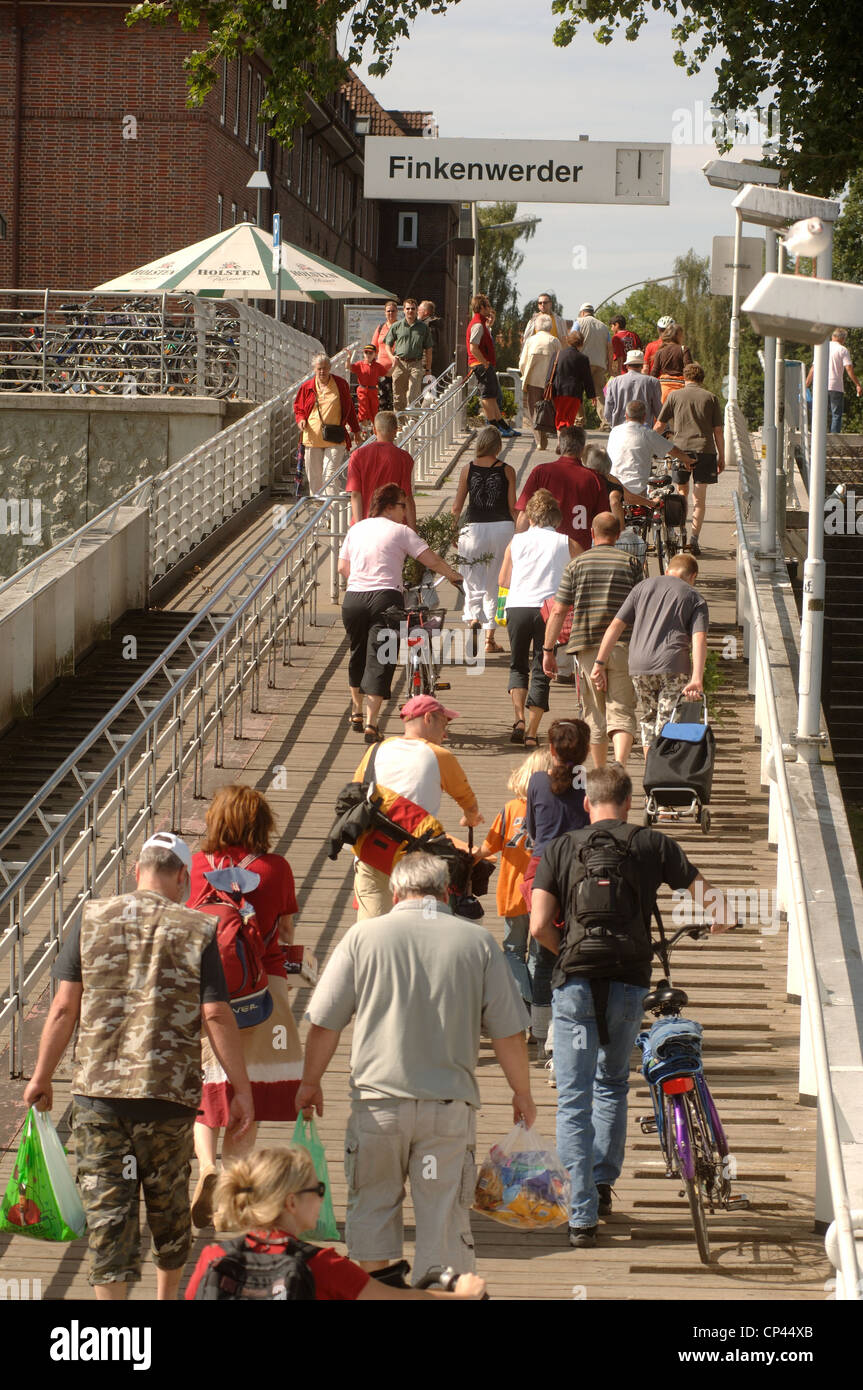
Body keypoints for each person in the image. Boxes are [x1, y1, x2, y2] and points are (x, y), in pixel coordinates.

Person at [23, 831, 253, 1300]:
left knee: (110, 1218)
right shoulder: (197, 928)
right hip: (167, 1098)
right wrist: (242, 1088)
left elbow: (64, 1008)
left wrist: (41, 1076)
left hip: (97, 1097)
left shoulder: (89, 918)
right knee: (168, 1212)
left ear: (137, 871)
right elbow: (214, 1014)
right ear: (182, 877)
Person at [298, 851, 535, 1280]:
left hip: (378, 1107)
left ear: (394, 890)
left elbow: (323, 1022)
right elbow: (508, 1033)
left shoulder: (362, 938)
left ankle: (376, 1293)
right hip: (447, 1109)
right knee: (442, 1222)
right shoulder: (477, 943)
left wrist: (310, 1082)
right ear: (448, 891)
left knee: (372, 1210)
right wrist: (522, 1092)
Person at [529, 762, 731, 1246]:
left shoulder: (561, 847)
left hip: (575, 984)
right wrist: (720, 921)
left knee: (573, 1098)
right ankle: (601, 1185)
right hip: (628, 981)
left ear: (587, 803)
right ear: (629, 803)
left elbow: (538, 928)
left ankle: (580, 1217)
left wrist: (570, 958)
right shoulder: (652, 843)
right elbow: (715, 906)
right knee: (612, 1082)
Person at [187, 786, 302, 1229]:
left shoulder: (194, 867)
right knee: (246, 1088)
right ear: (261, 823)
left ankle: (206, 1167)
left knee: (207, 1081)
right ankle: (231, 1190)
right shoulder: (276, 868)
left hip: (202, 988)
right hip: (262, 990)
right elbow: (285, 931)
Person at [185, 1146, 487, 1300]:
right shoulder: (320, 1265)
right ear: (291, 1202)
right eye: (318, 1190)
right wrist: (463, 1295)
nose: (322, 1199)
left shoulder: (214, 1258)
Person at [339, 484, 462, 743]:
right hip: (385, 598)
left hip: (353, 598)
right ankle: (372, 724)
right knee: (380, 658)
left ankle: (357, 712)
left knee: (357, 651)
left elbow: (342, 567)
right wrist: (454, 577)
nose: (406, 512)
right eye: (403, 506)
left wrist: (362, 580)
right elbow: (432, 560)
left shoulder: (356, 528)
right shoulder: (401, 532)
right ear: (389, 506)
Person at [351, 694, 482, 920]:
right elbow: (467, 800)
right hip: (413, 859)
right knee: (417, 927)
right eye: (444, 723)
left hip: (372, 852)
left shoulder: (375, 750)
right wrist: (470, 817)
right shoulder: (439, 755)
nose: (446, 732)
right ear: (429, 718)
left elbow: (355, 793)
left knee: (372, 929)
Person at [542, 512, 642, 768]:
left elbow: (558, 610)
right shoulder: (631, 563)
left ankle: (599, 771)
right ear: (618, 535)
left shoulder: (577, 564)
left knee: (594, 713)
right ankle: (619, 764)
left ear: (592, 534)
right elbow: (641, 608)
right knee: (621, 709)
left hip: (586, 645)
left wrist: (548, 650)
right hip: (622, 646)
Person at [591, 551, 709, 756]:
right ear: (693, 576)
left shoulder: (641, 588)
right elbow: (699, 638)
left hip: (639, 666)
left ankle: (651, 776)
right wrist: (697, 677)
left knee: (648, 719)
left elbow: (615, 627)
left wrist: (599, 662)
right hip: (673, 666)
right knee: (668, 723)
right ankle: (661, 777)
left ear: (667, 570)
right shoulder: (694, 596)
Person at [521, 718, 590, 1047]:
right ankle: (564, 1034)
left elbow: (533, 832)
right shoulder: (592, 781)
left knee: (543, 955)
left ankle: (540, 1030)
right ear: (587, 750)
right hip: (581, 868)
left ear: (550, 749)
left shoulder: (536, 781)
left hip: (544, 868)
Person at [500, 490, 578, 748]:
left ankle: (519, 719)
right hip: (550, 611)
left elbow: (503, 580)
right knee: (543, 668)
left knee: (517, 665)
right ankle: (532, 734)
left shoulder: (516, 541)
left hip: (518, 607)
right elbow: (581, 574)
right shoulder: (567, 542)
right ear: (555, 517)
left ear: (531, 517)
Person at [476, 747, 551, 1008]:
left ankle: (527, 1001)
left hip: (514, 889)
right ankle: (537, 1004)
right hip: (544, 891)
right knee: (539, 953)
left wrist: (471, 856)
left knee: (512, 951)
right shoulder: (553, 810)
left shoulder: (510, 810)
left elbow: (488, 847)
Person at [451, 424, 516, 655]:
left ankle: (472, 620)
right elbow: (512, 506)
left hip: (473, 528)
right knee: (496, 582)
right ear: (497, 446)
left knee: (471, 579)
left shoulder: (467, 469)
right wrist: (519, 532)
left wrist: (451, 530)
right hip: (502, 528)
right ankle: (489, 639)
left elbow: (457, 506)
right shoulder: (507, 470)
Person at [654, 362, 724, 557]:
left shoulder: (674, 396)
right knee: (699, 499)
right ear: (702, 379)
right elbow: (718, 431)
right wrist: (722, 456)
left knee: (681, 492)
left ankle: (679, 533)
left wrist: (649, 442)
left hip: (680, 449)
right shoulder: (711, 398)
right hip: (705, 451)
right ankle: (693, 540)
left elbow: (660, 424)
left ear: (684, 378)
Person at [515, 425, 608, 553]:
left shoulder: (540, 472)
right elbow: (603, 521)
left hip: (543, 551)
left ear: (560, 446)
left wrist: (517, 546)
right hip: (579, 552)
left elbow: (524, 513)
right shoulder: (595, 479)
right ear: (582, 450)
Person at [293, 353, 360, 496]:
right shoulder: (307, 387)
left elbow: (349, 409)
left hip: (335, 438)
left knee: (330, 475)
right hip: (312, 438)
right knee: (315, 478)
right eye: (319, 369)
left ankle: (332, 512)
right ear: (314, 370)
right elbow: (298, 407)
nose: (322, 372)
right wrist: (301, 420)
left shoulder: (340, 384)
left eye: (324, 368)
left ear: (330, 368)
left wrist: (356, 431)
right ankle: (319, 513)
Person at [608, 400, 694, 505]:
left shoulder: (615, 431)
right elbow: (673, 450)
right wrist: (688, 460)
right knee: (646, 513)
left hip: (612, 486)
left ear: (626, 416)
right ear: (644, 417)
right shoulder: (647, 433)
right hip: (636, 489)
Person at [346, 411, 416, 528]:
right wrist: (414, 532)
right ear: (396, 430)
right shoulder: (404, 458)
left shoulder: (357, 455)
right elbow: (407, 497)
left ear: (374, 430)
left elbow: (356, 495)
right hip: (394, 526)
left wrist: (358, 528)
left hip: (366, 523)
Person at [466, 293, 517, 437]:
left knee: (492, 396)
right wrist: (485, 362)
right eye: (487, 306)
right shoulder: (477, 325)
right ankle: (494, 427)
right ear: (481, 307)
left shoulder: (481, 323)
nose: (490, 308)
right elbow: (473, 347)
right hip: (481, 365)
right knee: (487, 396)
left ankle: (501, 424)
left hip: (484, 364)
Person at [806, 328, 862, 433]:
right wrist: (857, 384)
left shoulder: (821, 347)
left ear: (833, 336)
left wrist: (807, 383)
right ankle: (834, 436)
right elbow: (849, 368)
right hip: (836, 386)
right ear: (842, 339)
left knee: (819, 412)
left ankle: (818, 434)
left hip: (820, 385)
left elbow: (813, 368)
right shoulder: (843, 350)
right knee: (836, 414)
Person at [518, 312, 561, 449]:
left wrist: (525, 376)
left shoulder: (531, 341)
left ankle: (539, 440)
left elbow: (522, 363)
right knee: (552, 408)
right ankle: (553, 434)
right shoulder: (555, 341)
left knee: (533, 411)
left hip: (533, 381)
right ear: (549, 327)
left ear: (536, 327)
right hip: (550, 382)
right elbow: (560, 361)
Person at [385, 298, 433, 412]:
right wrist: (392, 357)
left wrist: (428, 369)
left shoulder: (423, 327)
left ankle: (412, 424)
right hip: (399, 363)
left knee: (412, 395)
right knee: (398, 397)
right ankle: (400, 426)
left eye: (412, 308)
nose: (410, 311)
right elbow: (387, 345)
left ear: (416, 310)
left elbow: (429, 349)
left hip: (416, 363)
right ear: (404, 310)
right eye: (408, 309)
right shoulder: (396, 326)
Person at [573, 303, 613, 427]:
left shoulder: (578, 322)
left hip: (581, 363)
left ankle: (579, 421)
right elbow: (610, 348)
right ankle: (606, 423)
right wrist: (609, 366)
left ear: (582, 312)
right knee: (600, 393)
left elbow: (572, 340)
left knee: (577, 391)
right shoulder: (604, 327)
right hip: (600, 364)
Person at [550, 330, 596, 432]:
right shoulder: (583, 358)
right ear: (582, 343)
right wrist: (592, 395)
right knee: (569, 420)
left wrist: (546, 391)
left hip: (558, 391)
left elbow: (550, 374)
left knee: (560, 419)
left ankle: (561, 443)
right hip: (574, 393)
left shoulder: (557, 355)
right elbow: (587, 378)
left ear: (568, 341)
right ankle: (566, 443)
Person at [603, 350, 663, 427]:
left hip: (619, 428)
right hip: (644, 430)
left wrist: (613, 425)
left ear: (627, 365)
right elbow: (658, 409)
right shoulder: (653, 382)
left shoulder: (613, 382)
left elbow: (607, 411)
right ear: (641, 365)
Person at [349, 344, 387, 438]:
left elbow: (388, 373)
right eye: (366, 352)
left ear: (375, 354)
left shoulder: (377, 366)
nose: (368, 355)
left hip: (373, 390)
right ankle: (365, 431)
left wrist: (394, 364)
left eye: (370, 353)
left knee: (374, 410)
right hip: (362, 390)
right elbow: (349, 367)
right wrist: (348, 358)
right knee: (363, 410)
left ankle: (375, 431)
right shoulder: (360, 364)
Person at [650, 322, 692, 403]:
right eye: (681, 335)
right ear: (677, 335)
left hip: (663, 390)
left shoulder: (660, 351)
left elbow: (654, 373)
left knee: (663, 415)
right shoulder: (684, 349)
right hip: (681, 389)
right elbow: (689, 370)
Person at [372, 300, 399, 411]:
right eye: (388, 311)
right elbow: (373, 347)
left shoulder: (400, 327)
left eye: (393, 311)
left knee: (396, 398)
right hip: (381, 369)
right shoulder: (380, 327)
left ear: (397, 312)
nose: (390, 313)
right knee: (382, 398)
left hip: (397, 368)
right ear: (385, 313)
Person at [417, 299, 443, 379]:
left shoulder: (428, 326)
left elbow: (430, 348)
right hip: (434, 365)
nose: (417, 312)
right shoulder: (434, 324)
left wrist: (425, 366)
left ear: (425, 312)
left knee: (425, 390)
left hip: (427, 367)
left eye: (419, 310)